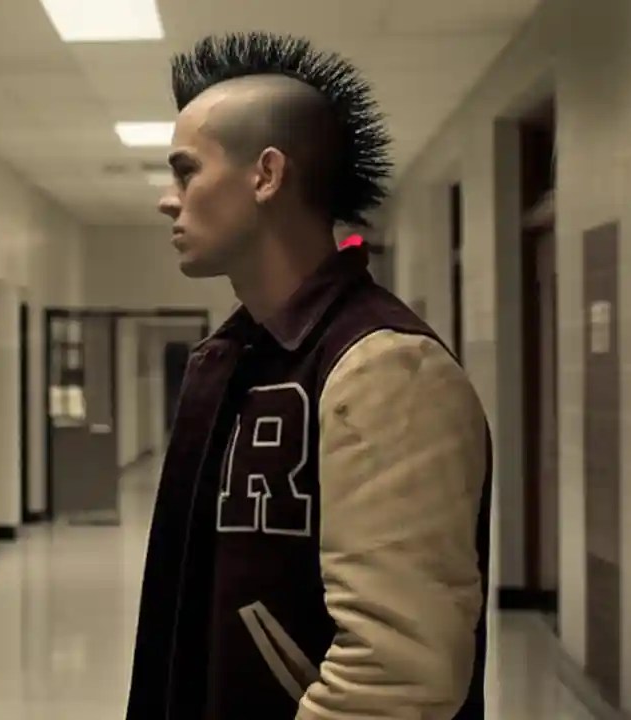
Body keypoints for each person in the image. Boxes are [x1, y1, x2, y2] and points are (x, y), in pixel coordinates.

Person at [126, 31, 492, 720]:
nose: (167, 201)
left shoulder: (385, 367)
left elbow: (396, 675)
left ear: (266, 175)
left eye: (185, 172)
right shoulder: (239, 359)